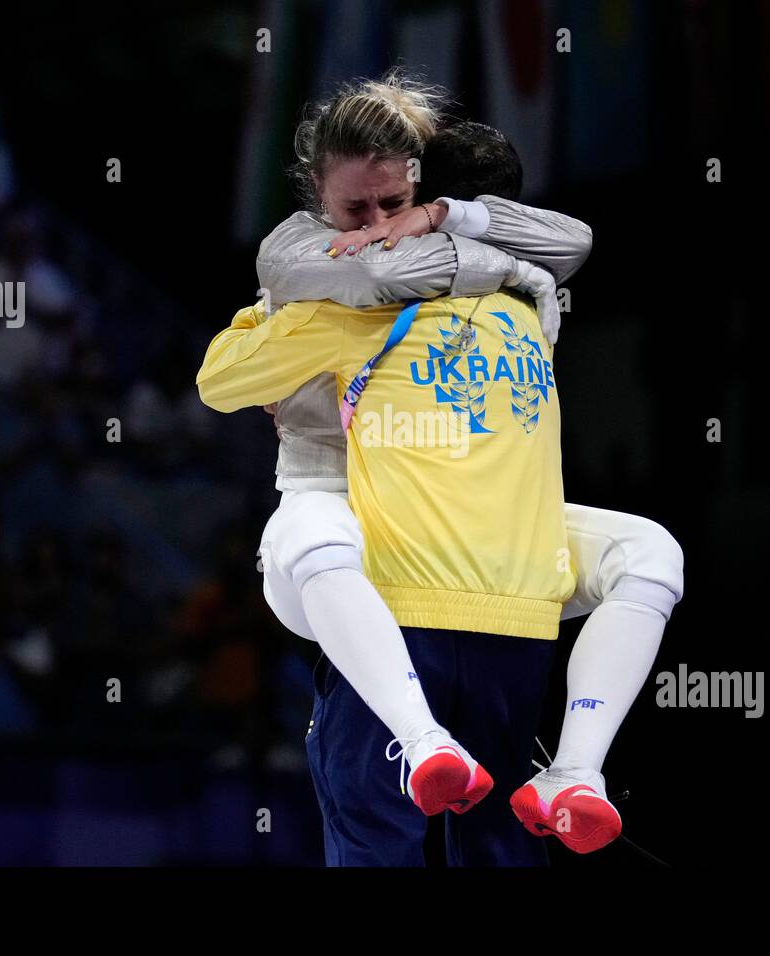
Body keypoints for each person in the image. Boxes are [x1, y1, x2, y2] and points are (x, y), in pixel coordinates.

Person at [215, 73, 685, 861]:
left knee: (651, 552)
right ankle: (417, 735)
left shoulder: (499, 280)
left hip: (468, 534)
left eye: (392, 206)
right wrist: (490, 265)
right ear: (316, 201)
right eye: (352, 211)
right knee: (310, 534)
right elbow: (236, 365)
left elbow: (567, 239)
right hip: (340, 519)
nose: (372, 226)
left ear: (423, 192)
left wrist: (457, 239)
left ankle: (574, 771)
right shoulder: (310, 271)